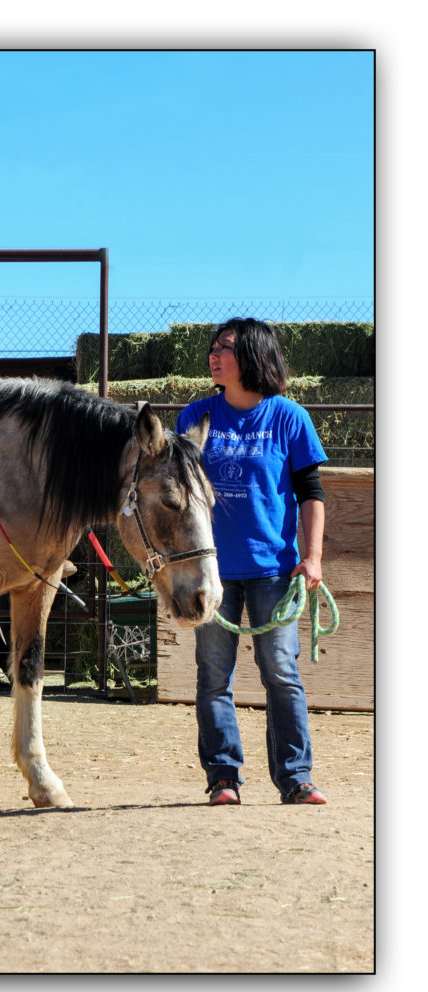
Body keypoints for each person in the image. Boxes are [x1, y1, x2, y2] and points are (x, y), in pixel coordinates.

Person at [176, 317, 328, 807]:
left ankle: (296, 778)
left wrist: (313, 558)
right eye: (213, 348)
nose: (214, 355)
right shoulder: (194, 418)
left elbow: (311, 493)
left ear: (254, 357)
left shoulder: (289, 418)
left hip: (274, 570)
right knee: (213, 676)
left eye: (226, 348)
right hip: (212, 571)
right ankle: (223, 778)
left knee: (281, 672)